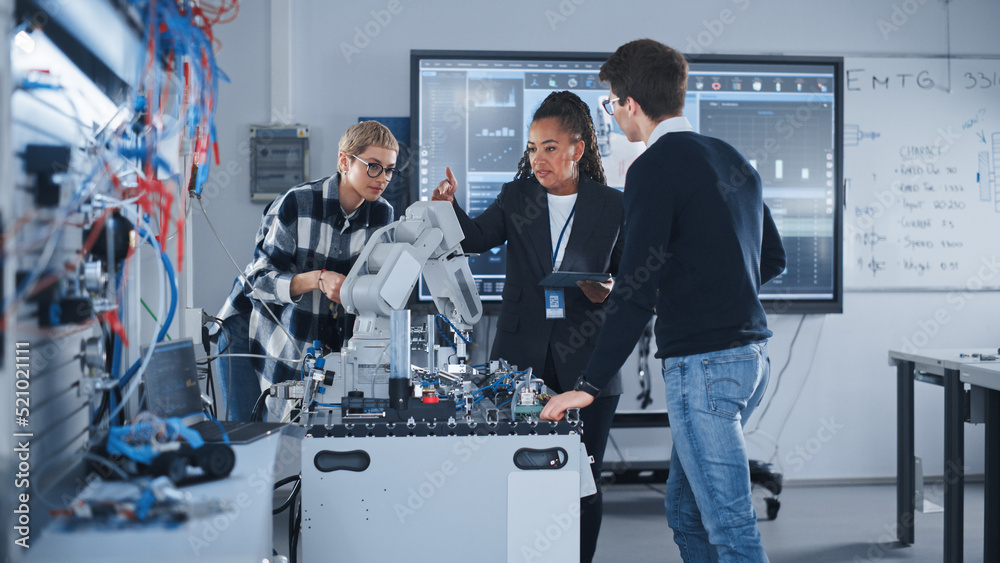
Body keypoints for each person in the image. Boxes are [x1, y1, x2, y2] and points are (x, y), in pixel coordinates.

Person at [540, 40, 786, 563]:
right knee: (686, 513)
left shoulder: (652, 167)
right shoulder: (731, 156)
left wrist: (586, 386)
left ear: (630, 103)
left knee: (731, 528)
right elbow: (772, 260)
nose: (612, 114)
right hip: (751, 361)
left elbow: (634, 292)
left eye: (610, 103)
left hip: (704, 368)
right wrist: (699, 289)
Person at [433, 90, 624, 563]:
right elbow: (476, 239)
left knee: (585, 481)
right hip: (521, 358)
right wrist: (447, 206)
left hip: (588, 360)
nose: (538, 158)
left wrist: (608, 288)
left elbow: (633, 279)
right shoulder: (516, 195)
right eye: (533, 148)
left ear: (578, 149)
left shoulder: (613, 204)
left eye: (550, 147)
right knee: (519, 475)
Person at [213, 121, 397, 421]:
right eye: (374, 166)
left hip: (313, 336)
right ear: (344, 161)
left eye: (389, 169)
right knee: (251, 438)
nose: (383, 178)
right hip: (251, 333)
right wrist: (317, 279)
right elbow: (256, 282)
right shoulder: (297, 204)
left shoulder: (382, 214)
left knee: (303, 439)